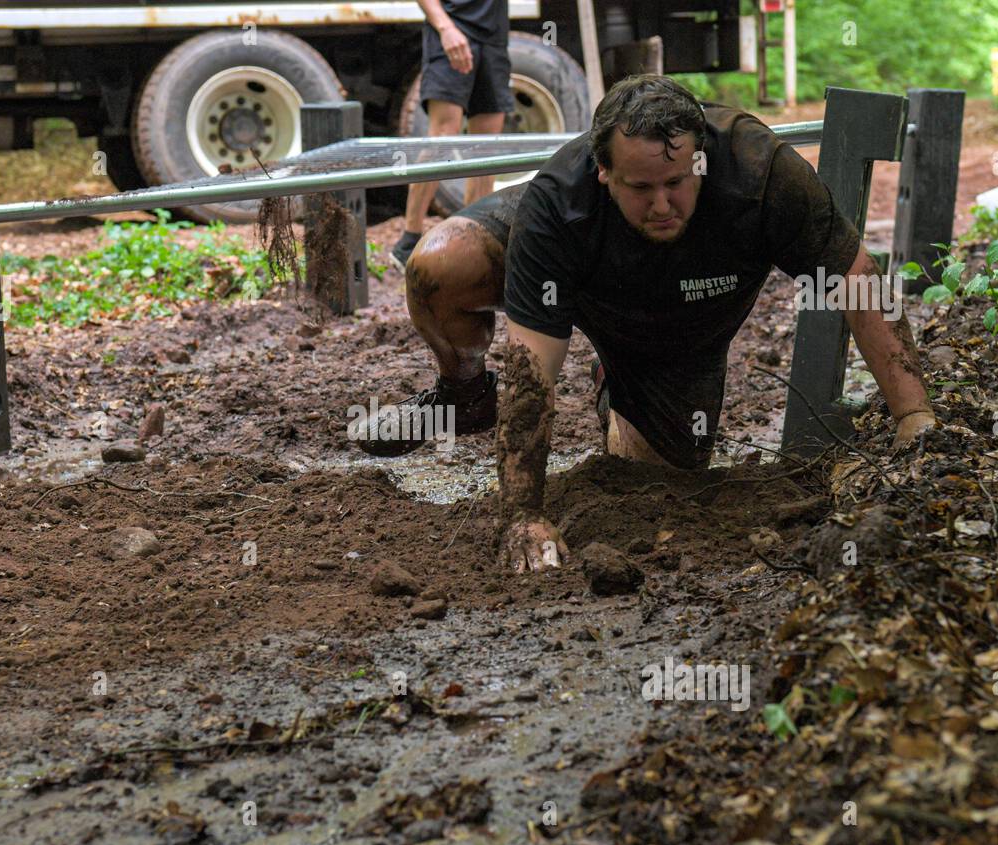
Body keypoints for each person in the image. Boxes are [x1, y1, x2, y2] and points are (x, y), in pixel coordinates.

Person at [359, 75, 937, 572]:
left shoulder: (762, 173)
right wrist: (524, 516)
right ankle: (462, 394)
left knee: (654, 484)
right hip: (584, 280)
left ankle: (616, 388)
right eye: (641, 188)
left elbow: (859, 283)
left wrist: (915, 417)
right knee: (440, 265)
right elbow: (532, 369)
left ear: (701, 162)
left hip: (678, 338)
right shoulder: (559, 205)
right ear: (604, 171)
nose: (662, 205)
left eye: (677, 183)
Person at [390, 0, 514, 269]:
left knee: (486, 146)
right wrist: (445, 28)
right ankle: (409, 239)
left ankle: (475, 237)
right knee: (443, 137)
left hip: (494, 37)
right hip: (452, 30)